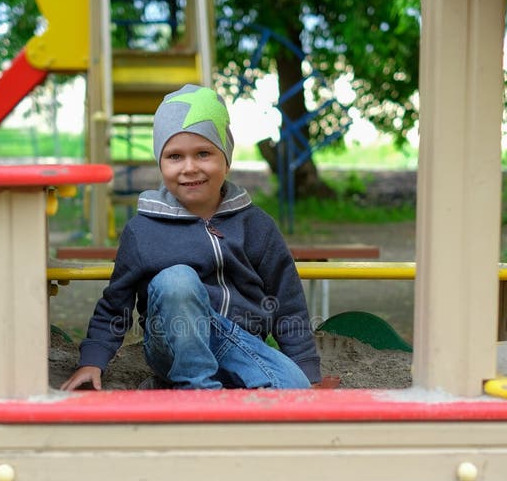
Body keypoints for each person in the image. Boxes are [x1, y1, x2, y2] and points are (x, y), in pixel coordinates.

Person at [61, 84, 323, 391]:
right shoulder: (143, 231)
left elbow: (286, 300)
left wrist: (307, 368)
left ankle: (216, 389)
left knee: (295, 386)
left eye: (203, 153)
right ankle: (198, 390)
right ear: (161, 163)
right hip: (172, 347)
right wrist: (92, 360)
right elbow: (115, 303)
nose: (190, 168)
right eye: (174, 156)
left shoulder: (256, 225)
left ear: (226, 159)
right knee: (177, 281)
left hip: (240, 347)